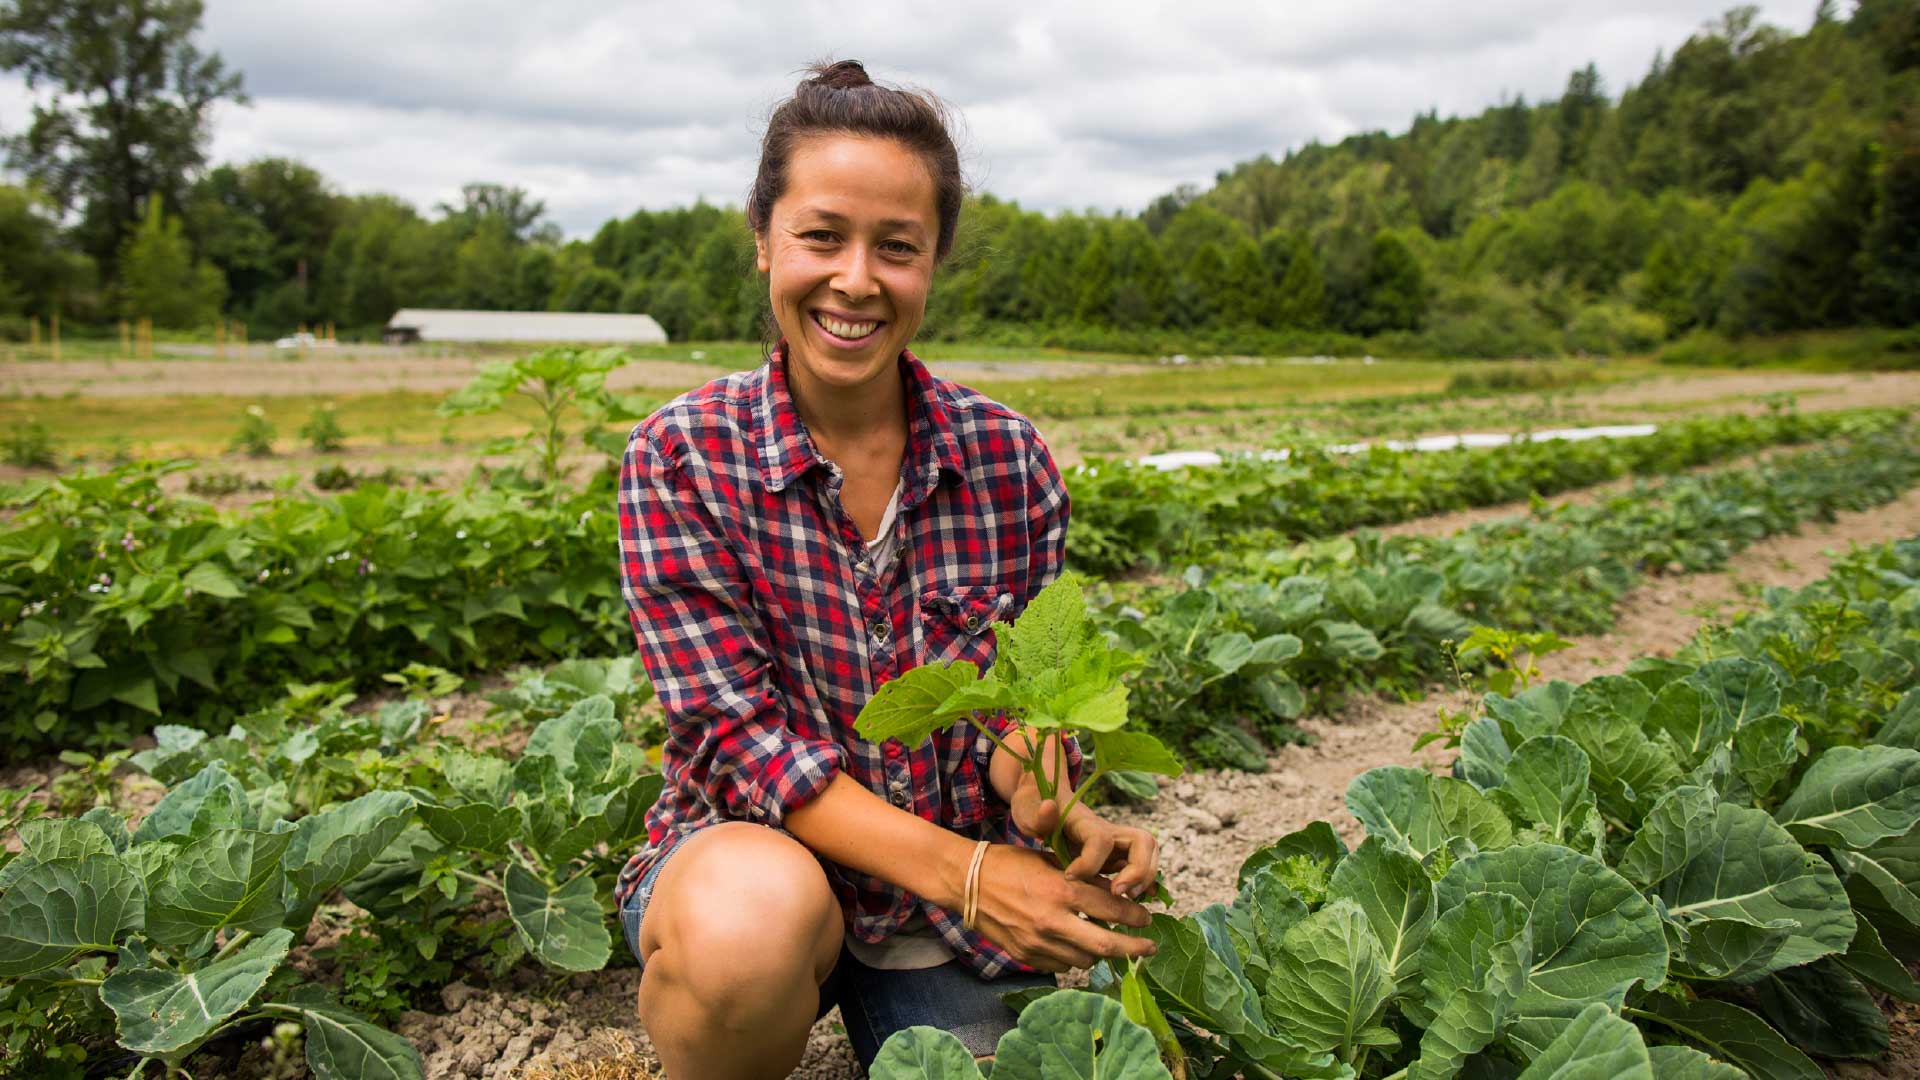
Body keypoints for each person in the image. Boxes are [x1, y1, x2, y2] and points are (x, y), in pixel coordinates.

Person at [612, 59, 1163, 1078]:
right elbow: (739, 740)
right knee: (748, 932)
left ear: (933, 263)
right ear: (764, 240)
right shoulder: (681, 456)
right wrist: (976, 874)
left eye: (896, 248)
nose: (856, 279)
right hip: (756, 861)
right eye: (823, 236)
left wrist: (1052, 792)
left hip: (932, 910)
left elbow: (1014, 704)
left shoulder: (1007, 458)